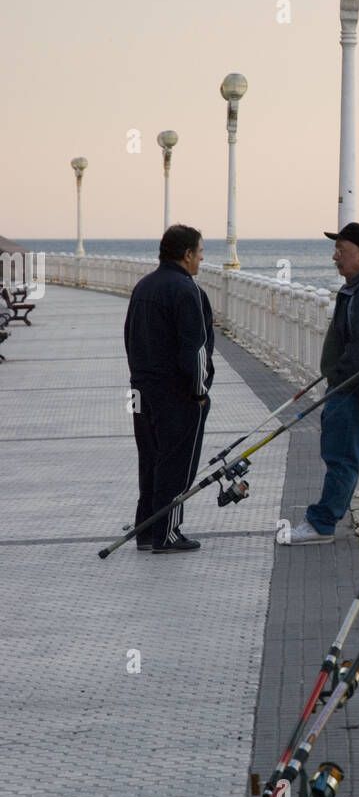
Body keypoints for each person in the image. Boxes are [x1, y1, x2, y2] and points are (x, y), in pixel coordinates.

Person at [288, 223, 359, 543]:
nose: (335, 257)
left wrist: (340, 382)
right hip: (347, 384)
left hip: (355, 387)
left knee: (341, 456)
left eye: (342, 250)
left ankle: (321, 524)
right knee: (338, 453)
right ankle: (323, 519)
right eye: (335, 250)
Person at [124, 224, 214, 553]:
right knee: (176, 465)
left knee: (150, 459)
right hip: (175, 394)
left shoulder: (143, 287)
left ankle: (146, 530)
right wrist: (200, 392)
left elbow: (129, 337)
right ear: (187, 254)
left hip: (139, 391)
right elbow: (195, 349)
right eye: (200, 252)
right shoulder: (186, 290)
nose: (202, 259)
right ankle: (167, 534)